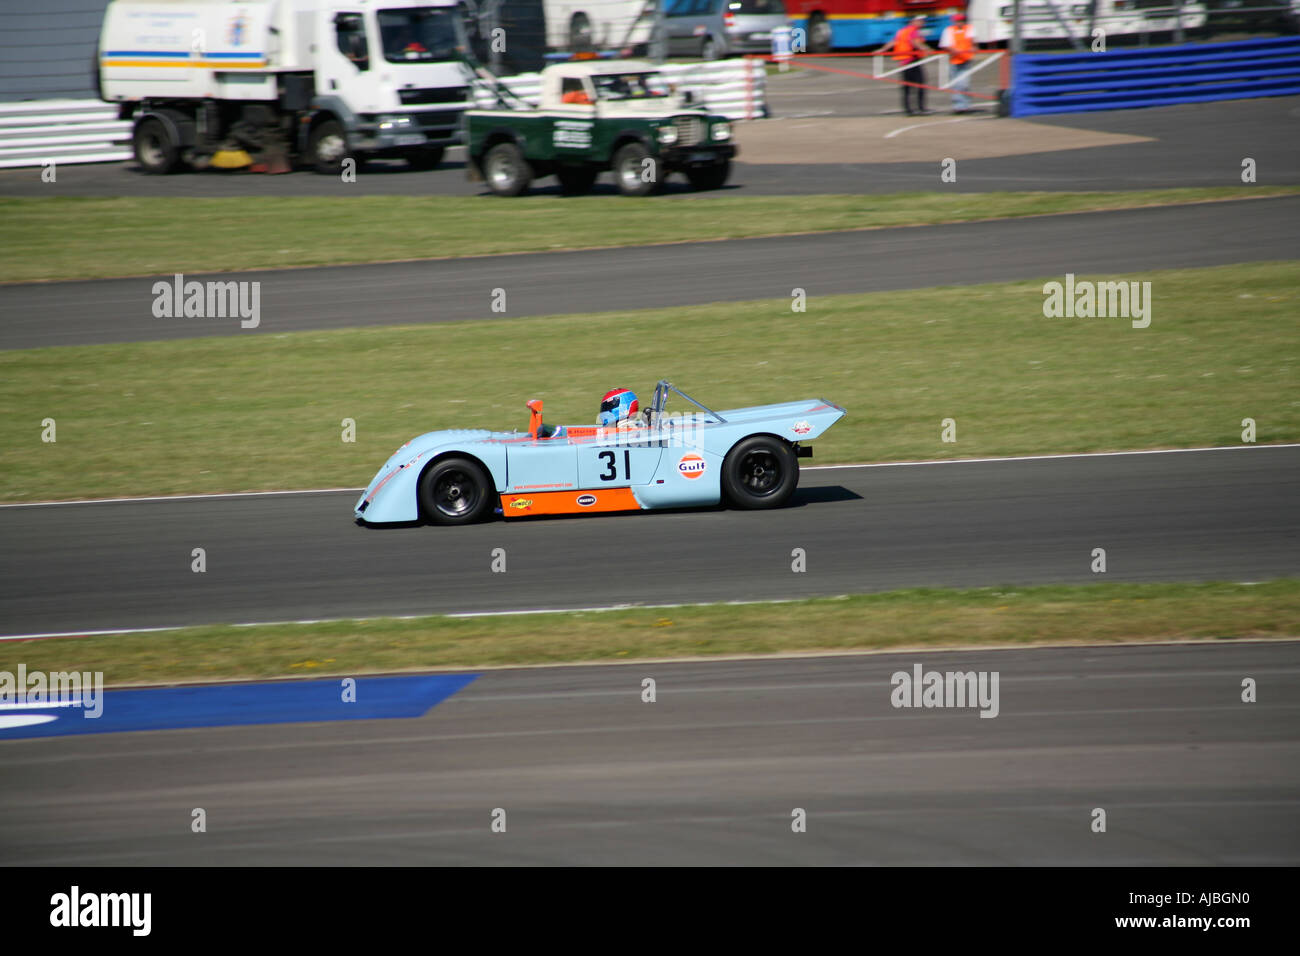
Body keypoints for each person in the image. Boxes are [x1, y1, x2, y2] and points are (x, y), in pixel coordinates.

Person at [876, 16, 932, 116]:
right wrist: (926, 49)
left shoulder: (902, 31)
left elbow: (893, 42)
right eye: (920, 21)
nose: (922, 23)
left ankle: (908, 109)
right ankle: (920, 108)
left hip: (904, 60)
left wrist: (882, 49)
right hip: (912, 59)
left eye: (923, 21)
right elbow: (914, 41)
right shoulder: (913, 30)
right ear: (913, 22)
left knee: (907, 86)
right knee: (920, 84)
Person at [939, 12, 976, 114]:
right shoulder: (949, 30)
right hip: (954, 60)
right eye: (958, 21)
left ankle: (965, 105)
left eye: (962, 20)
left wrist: (973, 47)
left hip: (966, 59)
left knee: (964, 84)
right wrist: (954, 50)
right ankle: (958, 106)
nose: (960, 22)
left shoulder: (969, 28)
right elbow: (945, 44)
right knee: (956, 84)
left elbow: (972, 41)